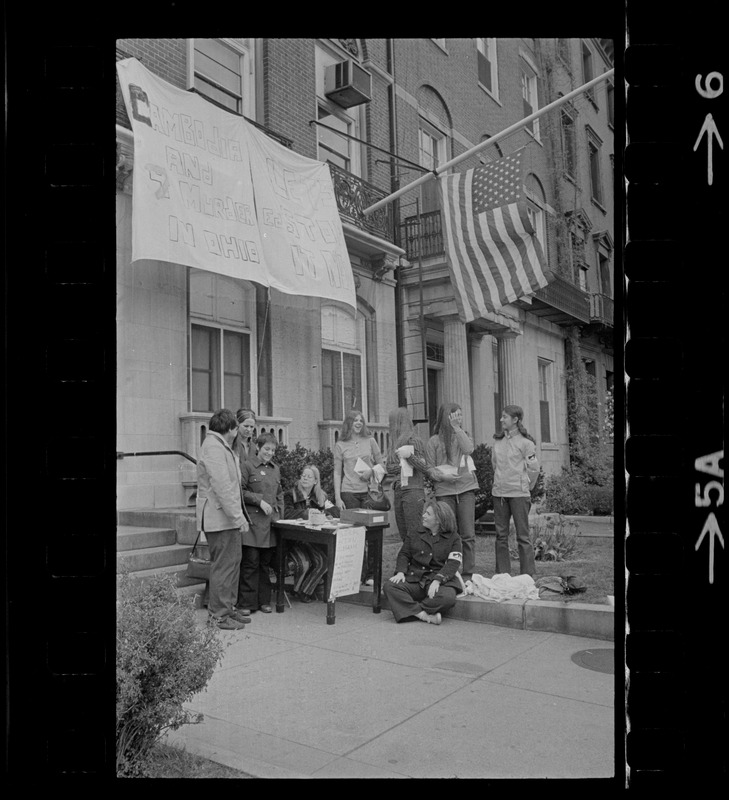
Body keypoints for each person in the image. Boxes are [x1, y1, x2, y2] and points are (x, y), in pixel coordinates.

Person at [196, 409, 252, 630]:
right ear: (230, 429)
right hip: (220, 518)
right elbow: (223, 488)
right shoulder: (214, 448)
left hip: (224, 518)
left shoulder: (220, 447)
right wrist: (238, 518)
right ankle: (219, 615)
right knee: (224, 566)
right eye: (237, 427)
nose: (239, 432)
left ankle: (227, 609)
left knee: (231, 564)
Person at [383, 500, 463, 625]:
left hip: (439, 582)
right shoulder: (415, 532)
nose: (423, 516)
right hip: (416, 579)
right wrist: (400, 572)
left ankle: (408, 609)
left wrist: (438, 580)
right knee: (390, 586)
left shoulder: (454, 537)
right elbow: (404, 554)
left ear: (439, 519)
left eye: (428, 514)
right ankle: (423, 615)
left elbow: (453, 563)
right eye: (425, 512)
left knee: (447, 598)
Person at [425, 402, 478, 580]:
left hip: (465, 489)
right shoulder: (433, 441)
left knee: (468, 534)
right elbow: (430, 469)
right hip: (444, 491)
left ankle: (468, 573)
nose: (459, 419)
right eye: (456, 416)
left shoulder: (463, 435)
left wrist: (457, 429)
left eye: (461, 416)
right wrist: (442, 477)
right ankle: (447, 571)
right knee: (447, 532)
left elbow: (469, 450)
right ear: (446, 417)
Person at [332, 409, 386, 586]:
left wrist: (372, 471)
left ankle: (371, 574)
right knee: (355, 534)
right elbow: (337, 473)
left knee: (371, 532)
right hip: (349, 492)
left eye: (361, 420)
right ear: (348, 423)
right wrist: (338, 497)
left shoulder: (370, 441)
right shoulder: (340, 445)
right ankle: (357, 573)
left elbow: (381, 464)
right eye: (355, 420)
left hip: (369, 492)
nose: (358, 423)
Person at [237, 432, 284, 614]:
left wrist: (279, 515)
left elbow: (279, 494)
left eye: (272, 450)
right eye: (266, 449)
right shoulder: (247, 466)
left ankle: (264, 600)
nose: (269, 453)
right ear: (258, 447)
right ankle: (247, 604)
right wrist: (259, 501)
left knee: (265, 564)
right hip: (252, 523)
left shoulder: (275, 469)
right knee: (251, 563)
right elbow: (239, 491)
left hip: (270, 525)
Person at [491, 405, 540, 577]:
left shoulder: (526, 443)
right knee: (500, 536)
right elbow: (494, 465)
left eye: (504, 417)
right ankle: (502, 574)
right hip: (500, 495)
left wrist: (527, 486)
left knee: (523, 537)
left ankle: (528, 575)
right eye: (502, 416)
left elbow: (534, 469)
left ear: (515, 420)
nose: (501, 419)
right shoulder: (497, 442)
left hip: (519, 495)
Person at [282, 465, 339, 602]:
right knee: (304, 563)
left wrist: (324, 513)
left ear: (315, 481)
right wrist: (307, 513)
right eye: (303, 476)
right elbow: (285, 513)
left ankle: (304, 591)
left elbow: (336, 511)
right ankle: (300, 591)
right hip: (293, 540)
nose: (305, 478)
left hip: (312, 541)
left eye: (309, 476)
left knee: (323, 562)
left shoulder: (319, 496)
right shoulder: (290, 495)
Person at [385, 407, 430, 542]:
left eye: (391, 422)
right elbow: (389, 467)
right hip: (399, 489)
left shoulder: (414, 440)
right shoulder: (395, 442)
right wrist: (402, 465)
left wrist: (409, 456)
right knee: (405, 535)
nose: (389, 426)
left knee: (414, 533)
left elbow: (424, 466)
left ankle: (418, 562)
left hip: (413, 490)